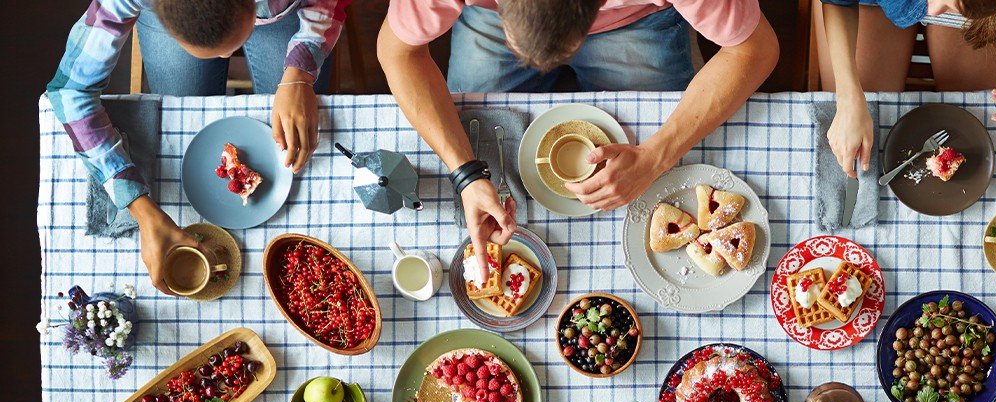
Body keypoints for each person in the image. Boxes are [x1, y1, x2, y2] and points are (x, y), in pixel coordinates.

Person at [377, 0, 780, 280]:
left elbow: (755, 48)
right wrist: (464, 173)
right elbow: (397, 53)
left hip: (637, 21)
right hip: (487, 21)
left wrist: (658, 154)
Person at [46, 0, 350, 294]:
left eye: (231, 47)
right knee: (182, 101)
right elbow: (69, 92)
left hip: (280, 12)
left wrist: (299, 74)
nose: (228, 57)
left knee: (302, 116)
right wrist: (141, 209)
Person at [816, 0, 996, 177]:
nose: (934, 13)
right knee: (853, 130)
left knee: (978, 122)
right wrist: (848, 96)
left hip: (987, 16)